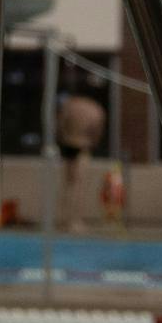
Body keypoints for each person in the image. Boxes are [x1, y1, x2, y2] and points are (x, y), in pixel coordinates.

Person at [56, 85, 107, 232]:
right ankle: (75, 221)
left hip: (68, 145)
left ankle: (65, 220)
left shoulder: (69, 105)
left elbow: (60, 126)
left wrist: (64, 138)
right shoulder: (94, 109)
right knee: (78, 187)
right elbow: (97, 132)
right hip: (82, 146)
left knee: (67, 186)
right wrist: (92, 142)